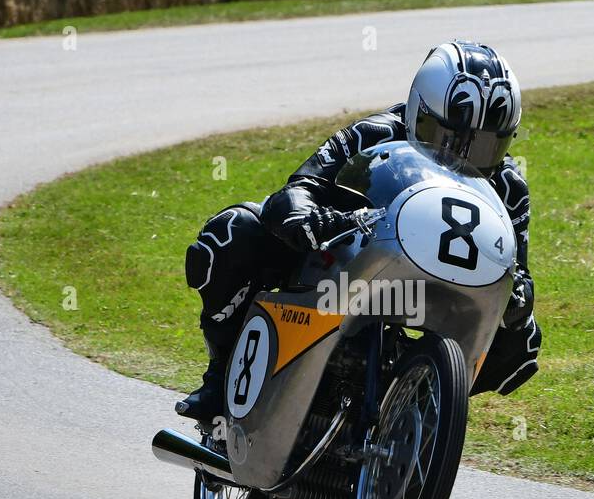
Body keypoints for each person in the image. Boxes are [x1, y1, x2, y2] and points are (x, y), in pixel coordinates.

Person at [178, 40, 541, 422]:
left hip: (435, 293)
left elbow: (517, 270)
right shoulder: (372, 134)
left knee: (523, 340)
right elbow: (298, 189)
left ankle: (422, 416)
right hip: (343, 270)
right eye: (445, 137)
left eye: (484, 146)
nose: (461, 156)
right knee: (235, 231)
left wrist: (518, 297)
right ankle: (222, 374)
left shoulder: (509, 187)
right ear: (418, 111)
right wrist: (307, 217)